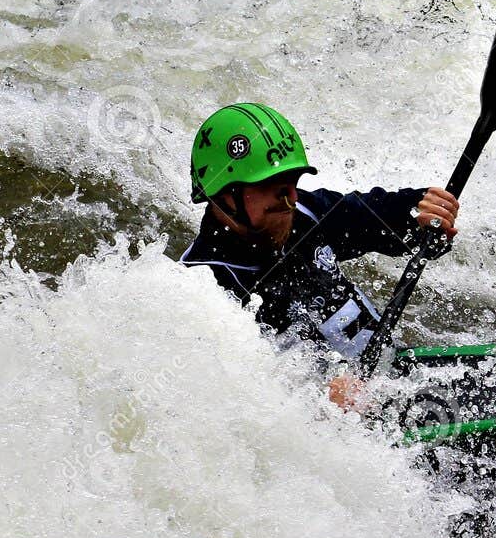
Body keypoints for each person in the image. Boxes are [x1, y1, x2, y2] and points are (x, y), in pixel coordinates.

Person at [179, 103, 459, 403]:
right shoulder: (203, 290)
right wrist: (319, 402)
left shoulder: (304, 213)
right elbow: (243, 405)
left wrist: (418, 213)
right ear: (225, 195)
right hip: (350, 431)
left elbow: (370, 217)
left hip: (396, 377)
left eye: (293, 184)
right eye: (276, 189)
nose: (291, 200)